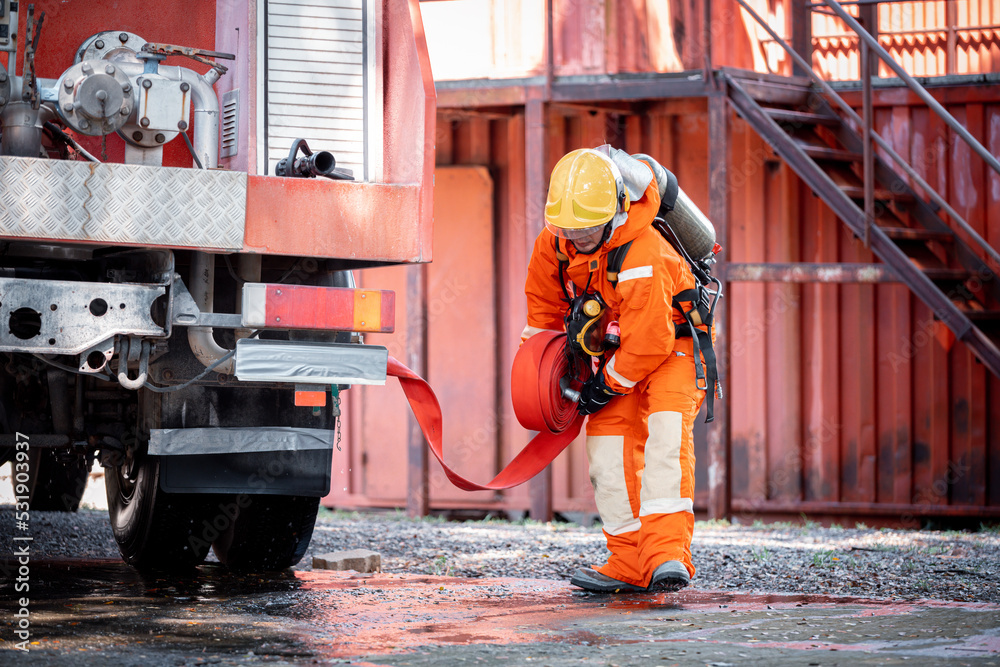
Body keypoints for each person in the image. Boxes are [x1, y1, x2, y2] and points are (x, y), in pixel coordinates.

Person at [522, 146, 708, 593]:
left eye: (585, 231)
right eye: (567, 229)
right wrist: (545, 371)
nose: (576, 238)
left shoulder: (643, 250)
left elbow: (651, 341)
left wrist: (605, 385)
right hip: (617, 354)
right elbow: (543, 314)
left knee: (664, 441)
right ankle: (627, 560)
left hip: (673, 349)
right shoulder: (556, 243)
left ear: (615, 212)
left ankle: (665, 557)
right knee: (607, 456)